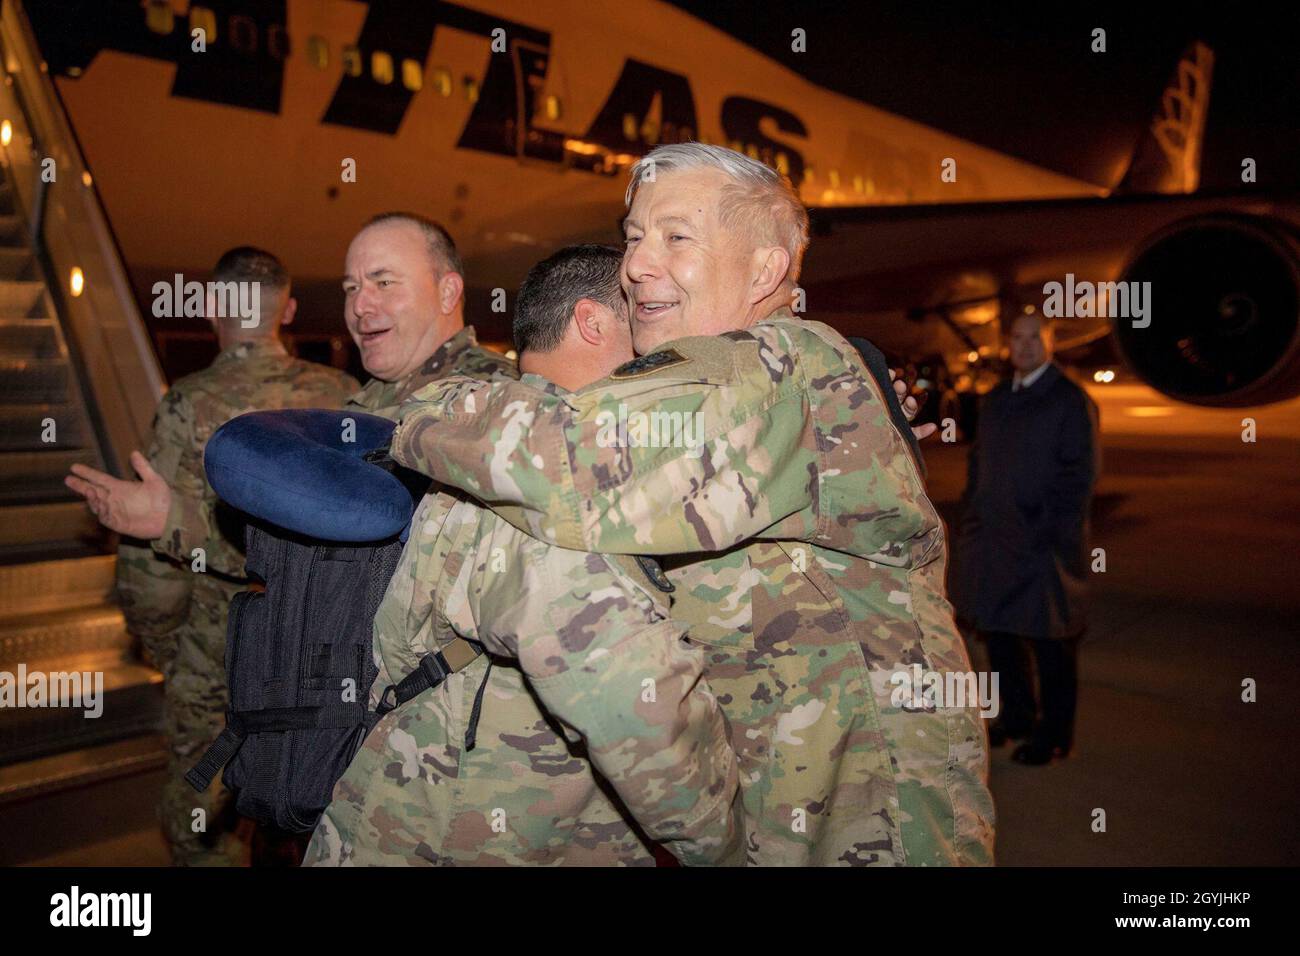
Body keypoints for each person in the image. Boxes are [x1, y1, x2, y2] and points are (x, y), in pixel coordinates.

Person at [387, 143, 996, 865]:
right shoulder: (716, 383)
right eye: (634, 237)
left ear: (766, 269)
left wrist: (420, 407)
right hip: (790, 816)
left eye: (677, 238)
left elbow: (563, 464)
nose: (638, 265)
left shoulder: (784, 367)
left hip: (880, 829)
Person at [306, 245, 743, 866]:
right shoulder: (557, 487)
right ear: (595, 323)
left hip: (391, 814)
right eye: (646, 320)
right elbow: (643, 725)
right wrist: (729, 842)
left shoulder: (480, 431)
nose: (664, 352)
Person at [67, 247, 359, 865]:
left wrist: (167, 647)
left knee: (204, 816)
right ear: (289, 309)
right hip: (322, 651)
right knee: (320, 797)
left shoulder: (187, 403)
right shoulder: (344, 395)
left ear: (207, 308)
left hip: (215, 654)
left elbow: (151, 571)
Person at [951, 311, 1099, 765]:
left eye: (1035, 337)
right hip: (995, 540)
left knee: (1050, 641)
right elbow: (980, 467)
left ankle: (1054, 736)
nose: (1025, 345)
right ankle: (1015, 716)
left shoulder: (1069, 400)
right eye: (1017, 337)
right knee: (1000, 635)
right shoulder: (996, 398)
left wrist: (1050, 534)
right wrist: (973, 519)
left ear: (1050, 343)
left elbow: (1080, 478)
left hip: (1041, 546)